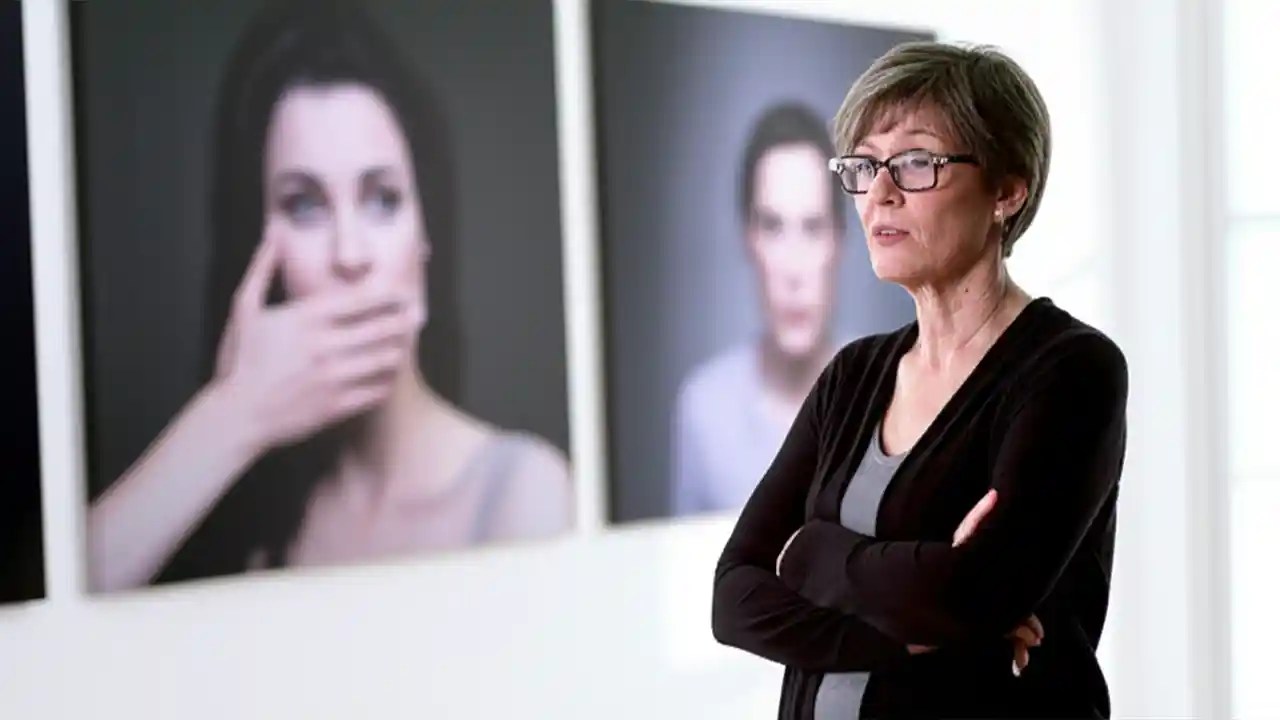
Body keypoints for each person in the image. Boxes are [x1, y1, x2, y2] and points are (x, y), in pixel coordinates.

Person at [87, 0, 572, 593]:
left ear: (426, 233)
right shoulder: (239, 501)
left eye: (382, 198)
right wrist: (231, 416)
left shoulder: (522, 488)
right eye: (305, 204)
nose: (351, 254)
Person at [711, 41, 1129, 719]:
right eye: (865, 165)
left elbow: (973, 595)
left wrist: (813, 550)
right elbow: (732, 598)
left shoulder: (1071, 370)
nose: (879, 192)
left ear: (1007, 188)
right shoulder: (853, 375)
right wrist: (900, 630)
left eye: (914, 162)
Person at [671, 103, 854, 517]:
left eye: (812, 227)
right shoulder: (704, 409)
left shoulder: (892, 393)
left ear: (839, 240)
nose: (793, 268)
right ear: (747, 239)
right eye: (773, 227)